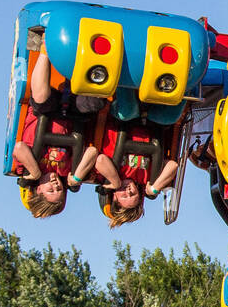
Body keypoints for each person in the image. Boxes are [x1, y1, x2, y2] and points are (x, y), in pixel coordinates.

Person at [11, 47, 104, 218]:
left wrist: (36, 172)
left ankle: (45, 48)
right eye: (59, 189)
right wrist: (77, 177)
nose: (55, 184)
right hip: (72, 114)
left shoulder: (28, 170)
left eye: (50, 189)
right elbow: (92, 152)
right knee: (94, 104)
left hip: (45, 111)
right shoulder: (67, 171)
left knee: (40, 97)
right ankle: (97, 54)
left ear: (38, 188)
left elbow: (19, 148)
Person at [93, 123, 178, 227]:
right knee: (170, 117)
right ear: (139, 193)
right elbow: (173, 165)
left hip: (121, 121)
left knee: (128, 113)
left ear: (114, 196)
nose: (128, 191)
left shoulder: (109, 177)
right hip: (153, 123)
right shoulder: (146, 177)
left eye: (124, 196)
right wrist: (154, 188)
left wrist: (116, 182)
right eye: (133, 194)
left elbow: (100, 160)